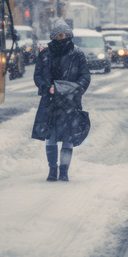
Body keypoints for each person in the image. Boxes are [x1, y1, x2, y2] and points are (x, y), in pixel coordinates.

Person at [31, 19, 92, 181]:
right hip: (50, 101)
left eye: (64, 34)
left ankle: (64, 171)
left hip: (70, 102)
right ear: (53, 36)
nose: (61, 37)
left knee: (68, 137)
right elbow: (37, 75)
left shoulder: (77, 54)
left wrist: (74, 90)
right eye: (58, 34)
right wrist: (46, 87)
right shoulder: (45, 53)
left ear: (69, 35)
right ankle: (52, 170)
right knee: (50, 136)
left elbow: (84, 76)